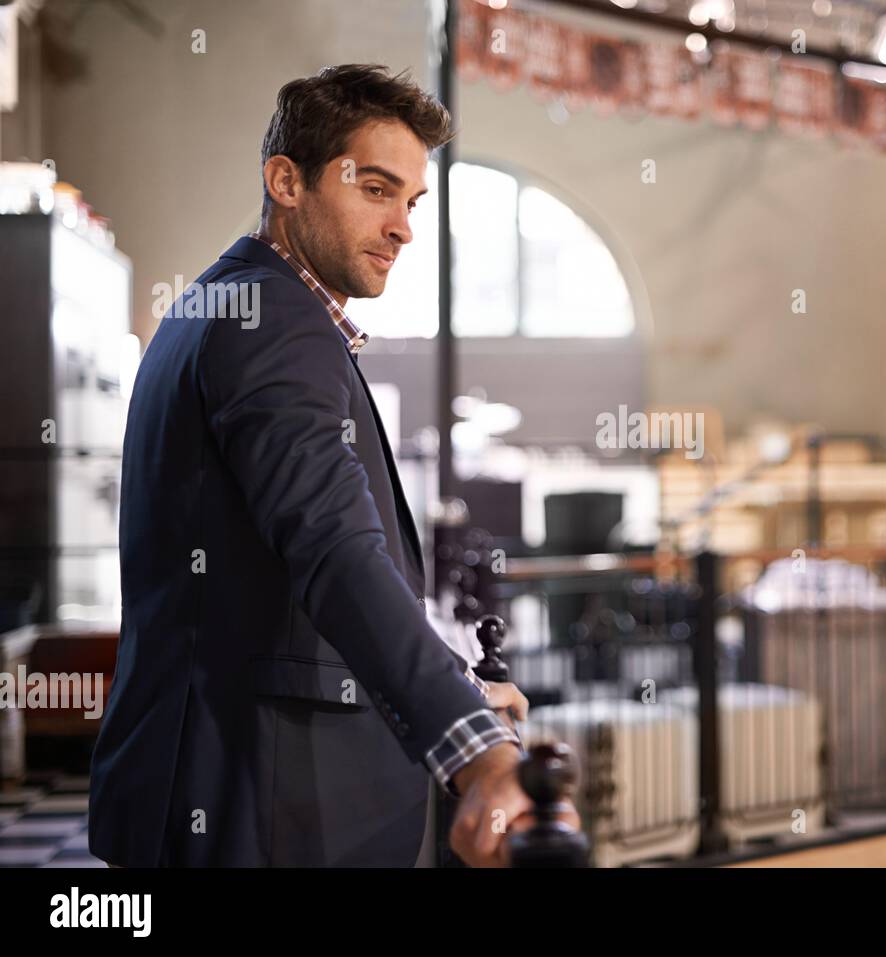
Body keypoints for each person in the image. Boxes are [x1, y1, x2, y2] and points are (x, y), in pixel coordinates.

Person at [89, 64, 576, 867]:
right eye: (376, 189)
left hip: (211, 781)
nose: (403, 227)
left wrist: (453, 682)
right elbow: (334, 548)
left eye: (412, 201)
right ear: (287, 182)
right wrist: (479, 751)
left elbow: (275, 592)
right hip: (261, 797)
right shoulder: (272, 321)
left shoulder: (219, 303)